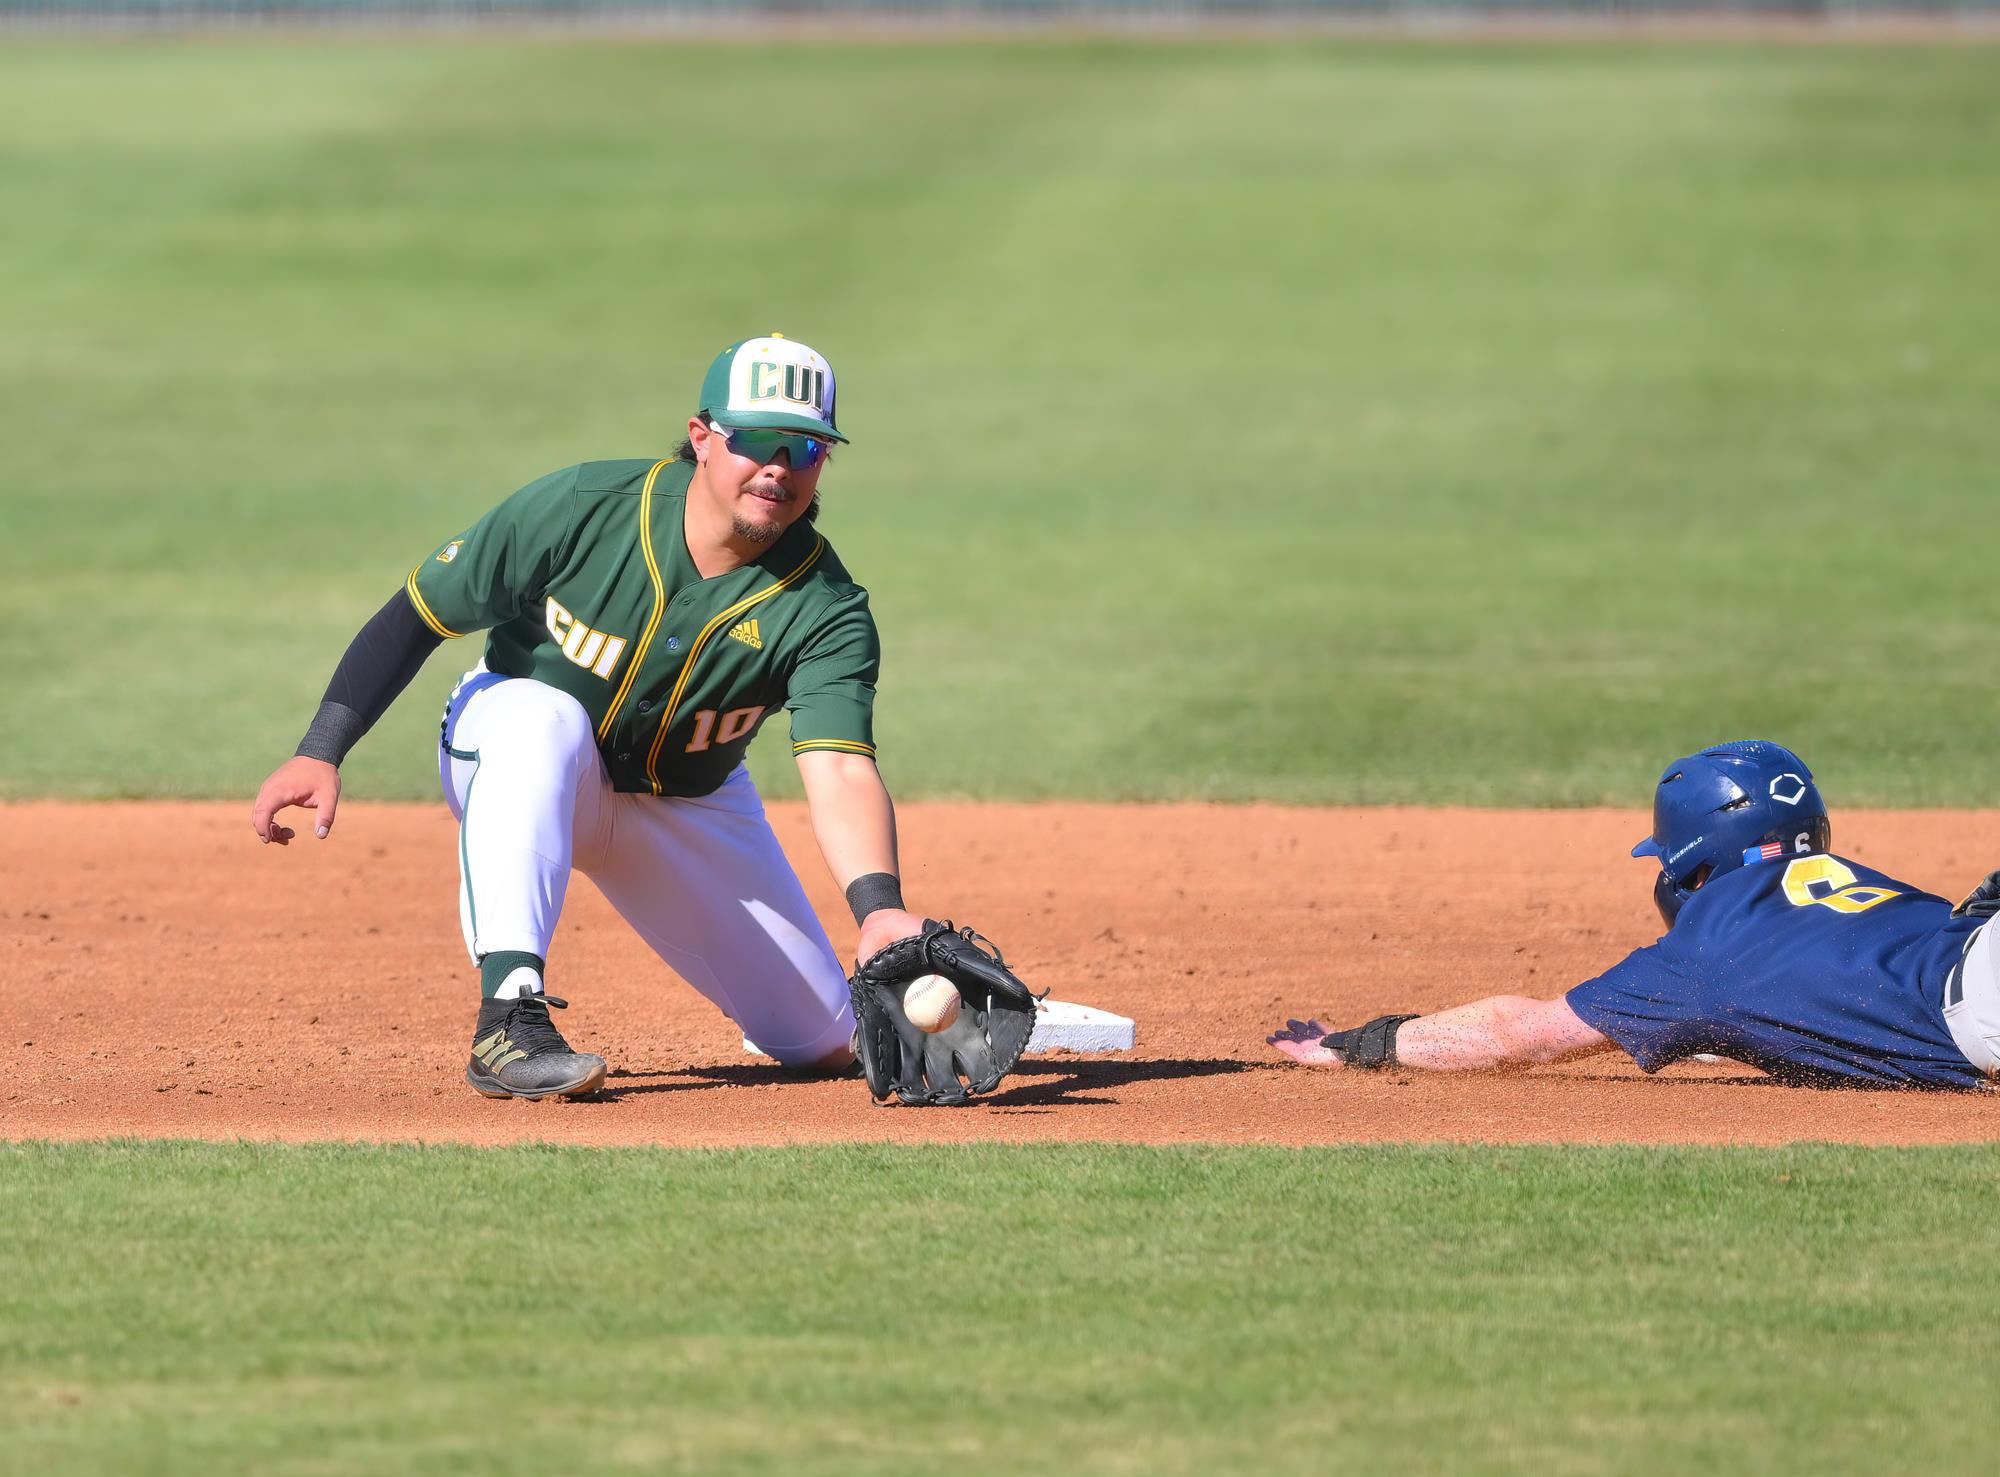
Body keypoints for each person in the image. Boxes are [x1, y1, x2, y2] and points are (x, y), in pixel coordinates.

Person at [251, 335, 931, 1100]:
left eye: (804, 446)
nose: (777, 466)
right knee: (547, 719)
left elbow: (839, 765)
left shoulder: (826, 607)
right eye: (755, 440)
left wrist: (880, 910)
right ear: (703, 438)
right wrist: (322, 747)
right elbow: (418, 614)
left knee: (827, 1037)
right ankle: (509, 1015)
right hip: (510, 744)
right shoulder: (583, 510)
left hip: (684, 800)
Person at [1269, 741, 1999, 1090]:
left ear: (1696, 860)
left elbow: (1518, 1034)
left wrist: (1367, 1041)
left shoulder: (1707, 954)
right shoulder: (1855, 889)